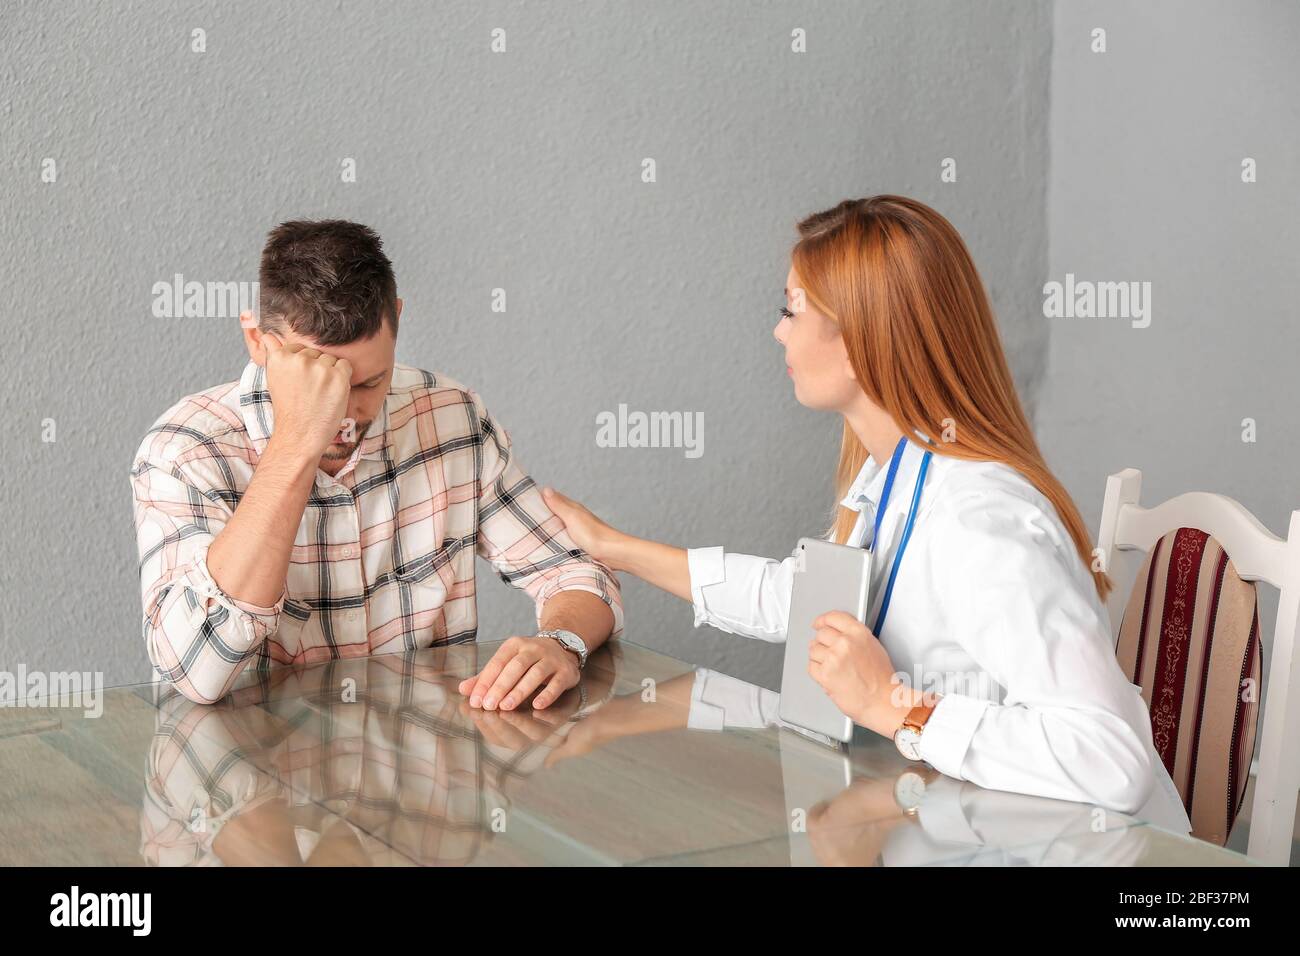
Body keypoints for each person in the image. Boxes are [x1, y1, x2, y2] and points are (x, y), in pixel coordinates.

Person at [543, 195, 1192, 832]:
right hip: (957, 824)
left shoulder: (978, 521)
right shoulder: (892, 481)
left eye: (791, 310)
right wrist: (611, 545)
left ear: (858, 339)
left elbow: (1115, 760)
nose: (777, 330)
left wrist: (894, 708)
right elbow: (799, 600)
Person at [131, 220, 621, 706]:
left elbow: (574, 571)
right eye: (320, 382)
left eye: (367, 384)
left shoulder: (450, 417)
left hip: (421, 773)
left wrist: (563, 643)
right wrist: (295, 445)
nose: (344, 415)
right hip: (251, 775)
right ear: (258, 340)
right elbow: (195, 673)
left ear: (399, 322)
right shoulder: (186, 452)